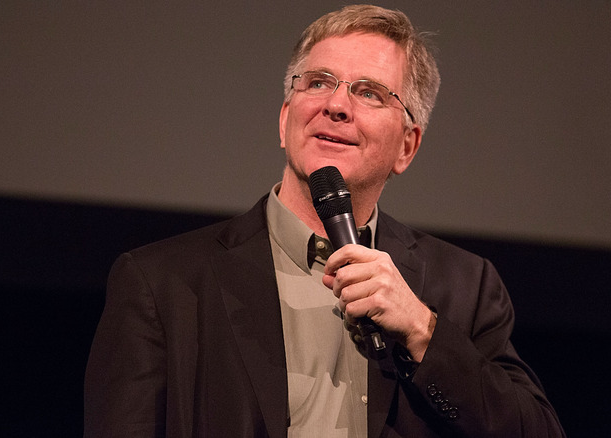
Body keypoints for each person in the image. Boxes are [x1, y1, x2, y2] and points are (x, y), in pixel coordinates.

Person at [84, 5, 565, 437]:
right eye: (318, 82)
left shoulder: (465, 287)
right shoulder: (161, 283)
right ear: (284, 119)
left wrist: (422, 330)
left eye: (369, 92)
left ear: (407, 146)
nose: (335, 105)